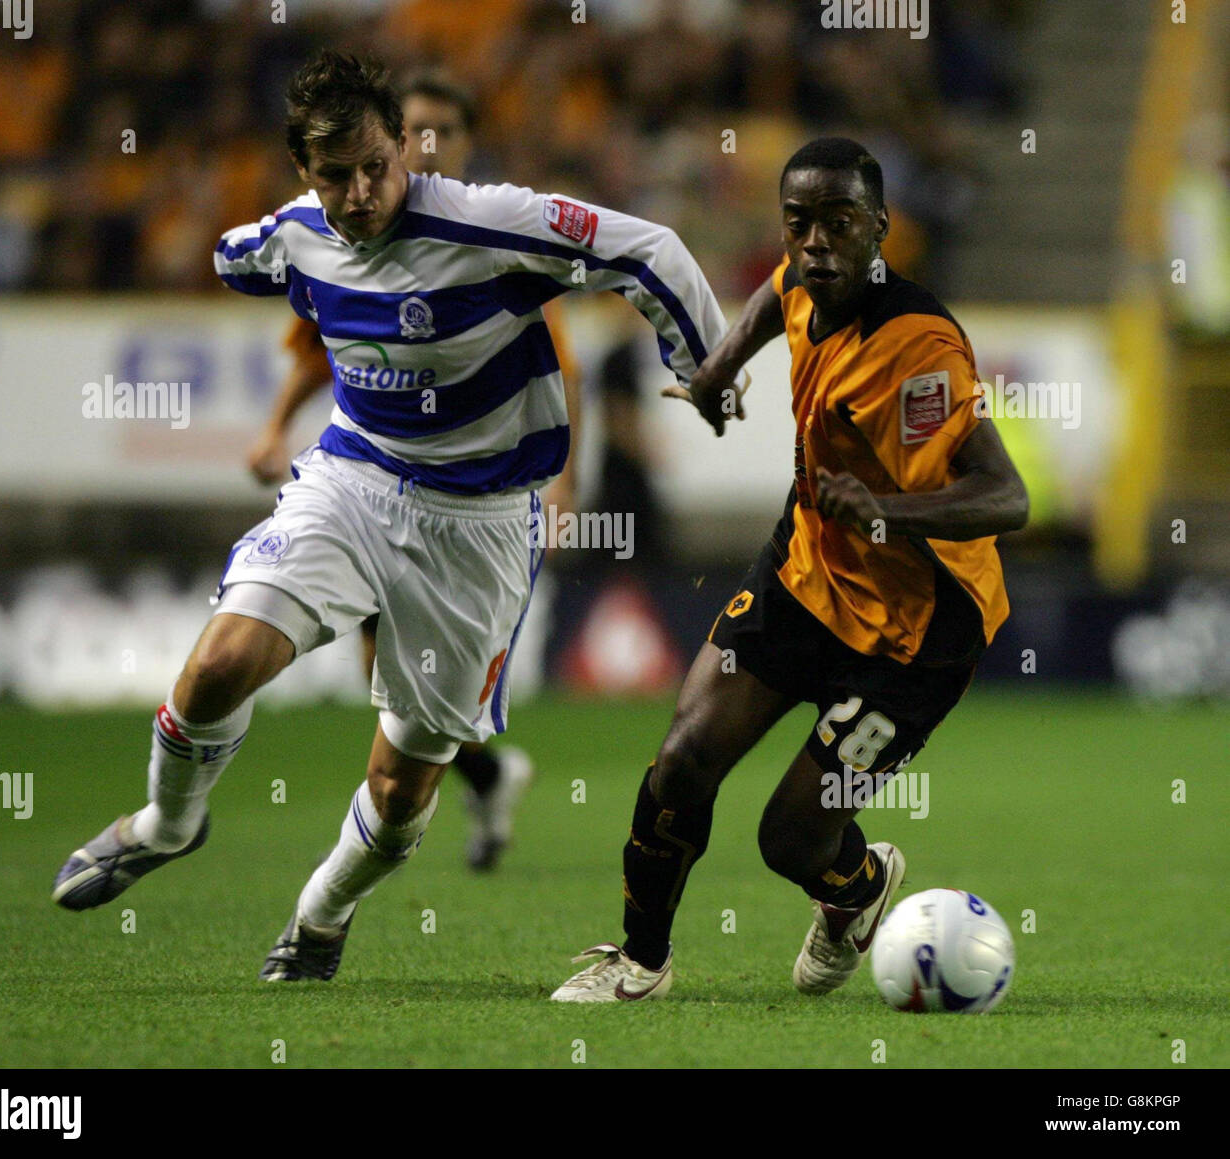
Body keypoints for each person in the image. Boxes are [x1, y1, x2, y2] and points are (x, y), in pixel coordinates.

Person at [51, 51, 742, 985]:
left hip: (482, 525)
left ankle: (320, 912)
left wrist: (706, 363)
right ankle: (167, 823)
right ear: (305, 170)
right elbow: (239, 255)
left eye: (378, 165)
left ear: (403, 149)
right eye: (335, 175)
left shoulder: (487, 221)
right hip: (354, 482)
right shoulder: (300, 233)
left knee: (402, 783)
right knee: (218, 662)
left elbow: (648, 248)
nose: (361, 190)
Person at [551, 137, 1028, 1003]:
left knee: (791, 837)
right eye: (799, 223)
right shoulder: (807, 279)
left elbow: (1005, 496)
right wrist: (716, 371)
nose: (815, 243)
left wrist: (890, 511)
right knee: (684, 760)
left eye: (839, 223)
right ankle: (640, 963)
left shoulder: (918, 351)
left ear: (880, 230)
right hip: (806, 572)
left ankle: (854, 888)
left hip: (916, 634)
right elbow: (775, 300)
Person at [243, 69, 583, 872]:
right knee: (383, 669)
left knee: (413, 679)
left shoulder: (499, 243)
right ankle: (476, 778)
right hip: (381, 479)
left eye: (441, 133)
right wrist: (274, 428)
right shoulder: (350, 244)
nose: (425, 146)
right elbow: (324, 352)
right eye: (417, 128)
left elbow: (563, 377)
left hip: (477, 501)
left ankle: (465, 776)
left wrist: (562, 491)